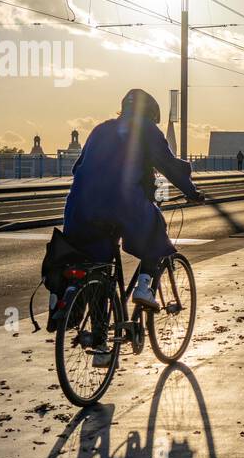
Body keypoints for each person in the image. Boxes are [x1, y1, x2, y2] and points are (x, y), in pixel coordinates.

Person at [62, 89, 205, 330]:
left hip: (79, 205)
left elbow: (78, 168)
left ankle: (100, 342)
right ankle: (144, 286)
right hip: (122, 201)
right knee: (155, 230)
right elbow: (169, 166)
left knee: (100, 266)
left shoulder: (100, 129)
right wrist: (192, 193)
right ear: (150, 113)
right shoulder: (147, 129)